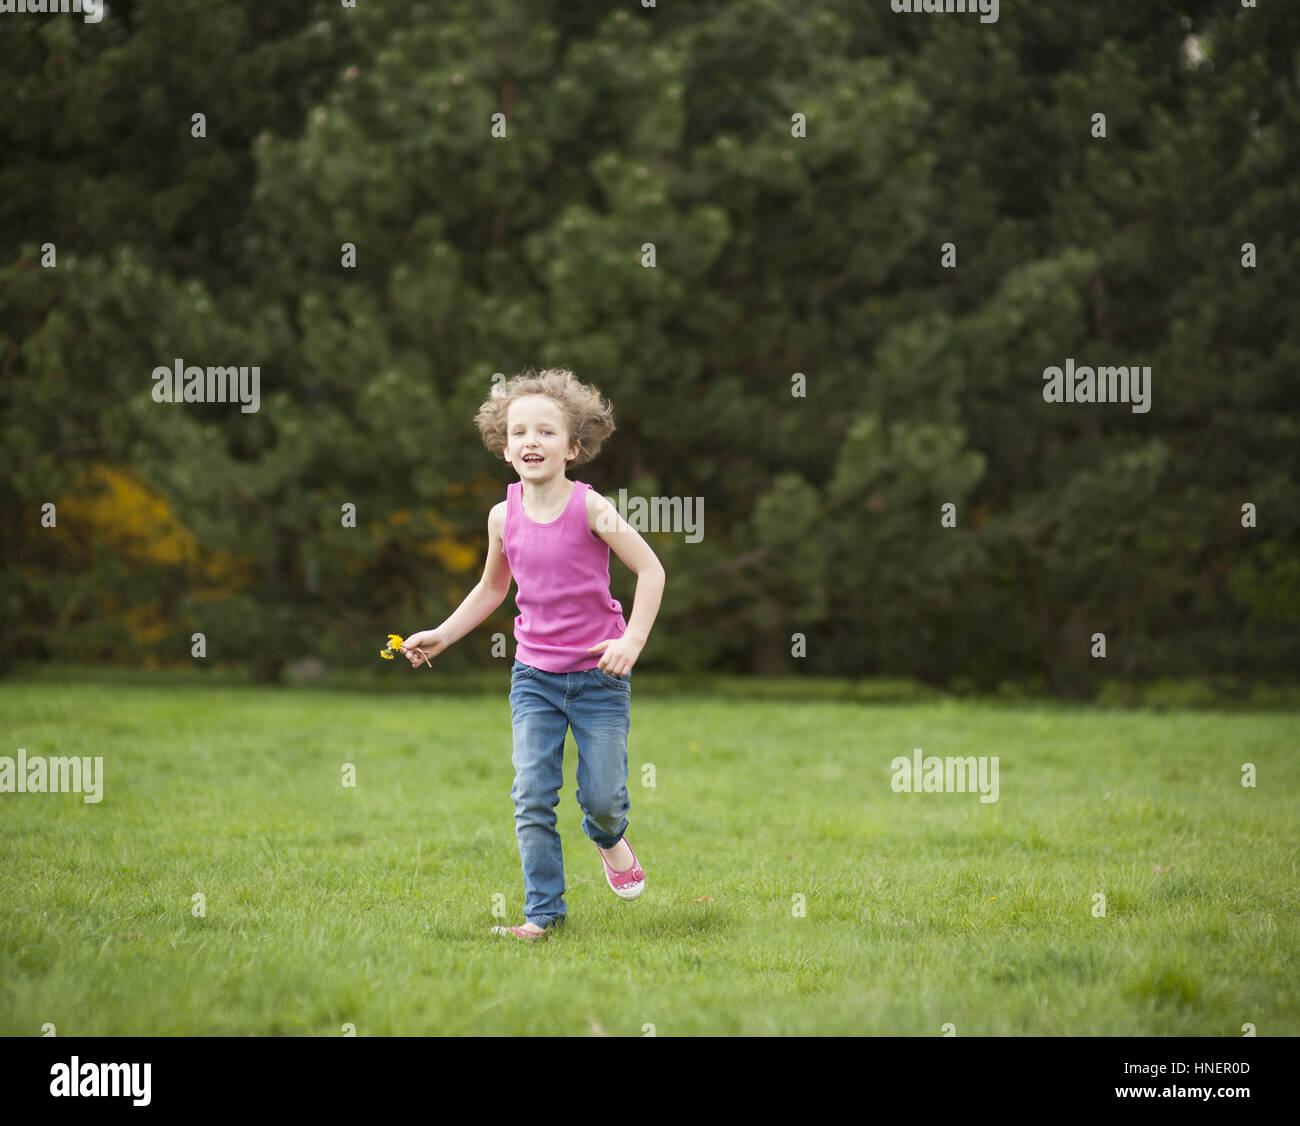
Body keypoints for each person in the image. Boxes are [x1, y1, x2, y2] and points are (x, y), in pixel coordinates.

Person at [400, 368, 666, 941]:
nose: (530, 442)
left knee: (600, 799)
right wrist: (441, 634)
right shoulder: (503, 515)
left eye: (546, 432)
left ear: (573, 447)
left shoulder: (592, 510)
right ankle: (543, 916)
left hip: (598, 677)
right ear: (504, 446)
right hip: (534, 680)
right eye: (518, 432)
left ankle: (610, 838)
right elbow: (494, 588)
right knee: (530, 797)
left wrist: (632, 640)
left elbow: (651, 569)